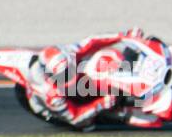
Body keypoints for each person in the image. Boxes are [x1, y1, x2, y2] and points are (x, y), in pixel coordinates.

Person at [31, 28, 160, 129]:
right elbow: (75, 118)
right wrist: (99, 105)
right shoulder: (52, 96)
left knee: (123, 53)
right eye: (65, 75)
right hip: (79, 106)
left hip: (89, 75)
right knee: (94, 122)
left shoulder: (68, 53)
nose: (69, 74)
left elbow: (93, 41)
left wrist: (125, 35)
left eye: (69, 69)